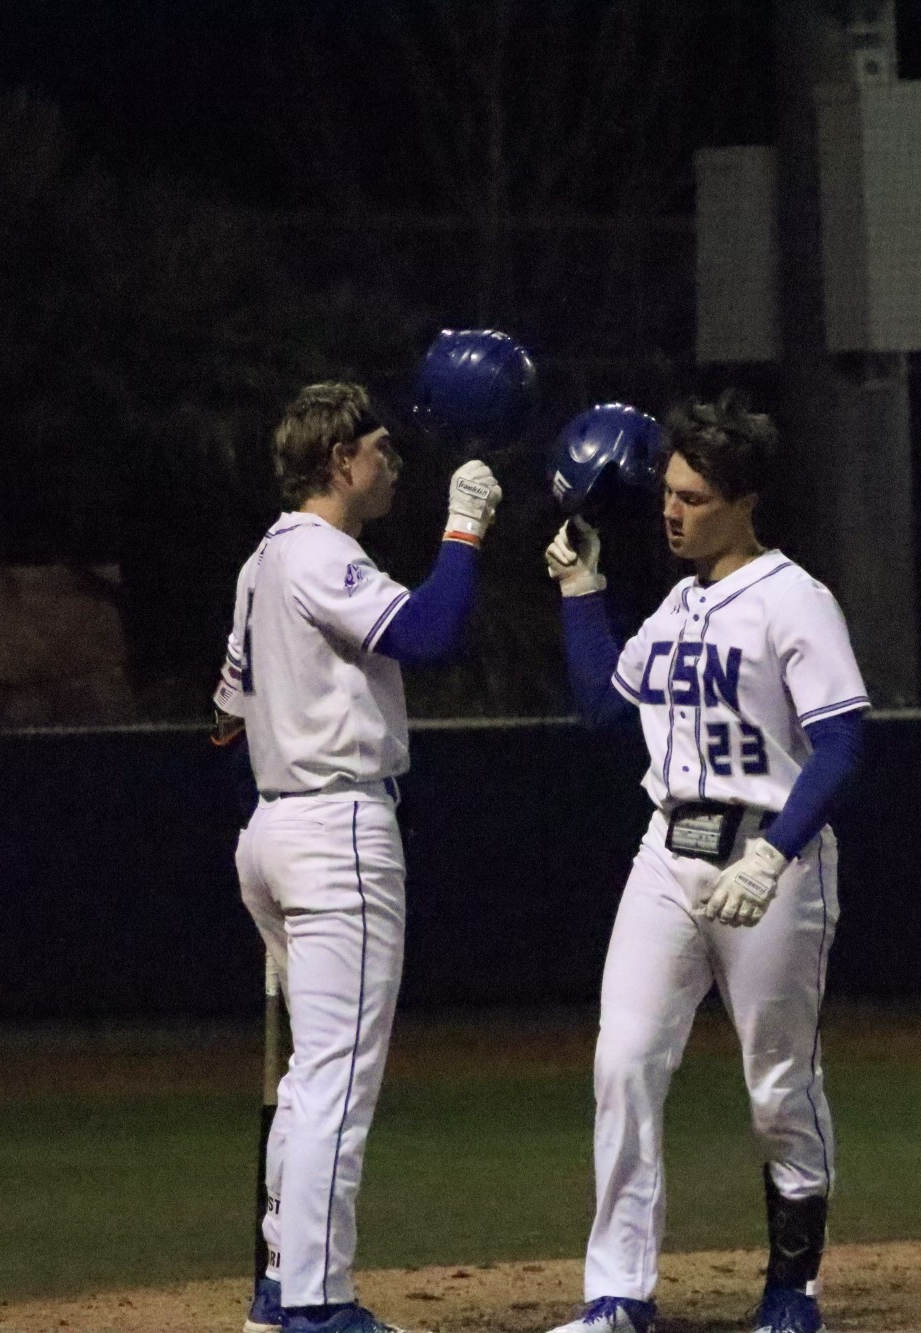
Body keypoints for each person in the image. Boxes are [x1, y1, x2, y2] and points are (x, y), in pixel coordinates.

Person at [541, 391, 869, 1333]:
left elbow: (844, 742)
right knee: (625, 1060)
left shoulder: (793, 599)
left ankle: (791, 1290)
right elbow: (606, 707)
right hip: (667, 850)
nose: (670, 509)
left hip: (773, 858)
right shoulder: (679, 604)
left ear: (741, 499)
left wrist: (773, 855)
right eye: (669, 492)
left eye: (691, 496)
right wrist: (581, 594)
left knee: (777, 1086)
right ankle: (616, 1295)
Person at [215, 382, 502, 1333]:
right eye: (379, 447)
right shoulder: (317, 551)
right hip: (335, 829)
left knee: (310, 1078)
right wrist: (464, 529)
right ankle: (321, 1306)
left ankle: (282, 1288)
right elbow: (426, 632)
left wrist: (279, 711)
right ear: (341, 459)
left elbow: (224, 711)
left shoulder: (263, 560)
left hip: (273, 829)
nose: (391, 461)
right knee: (337, 1079)